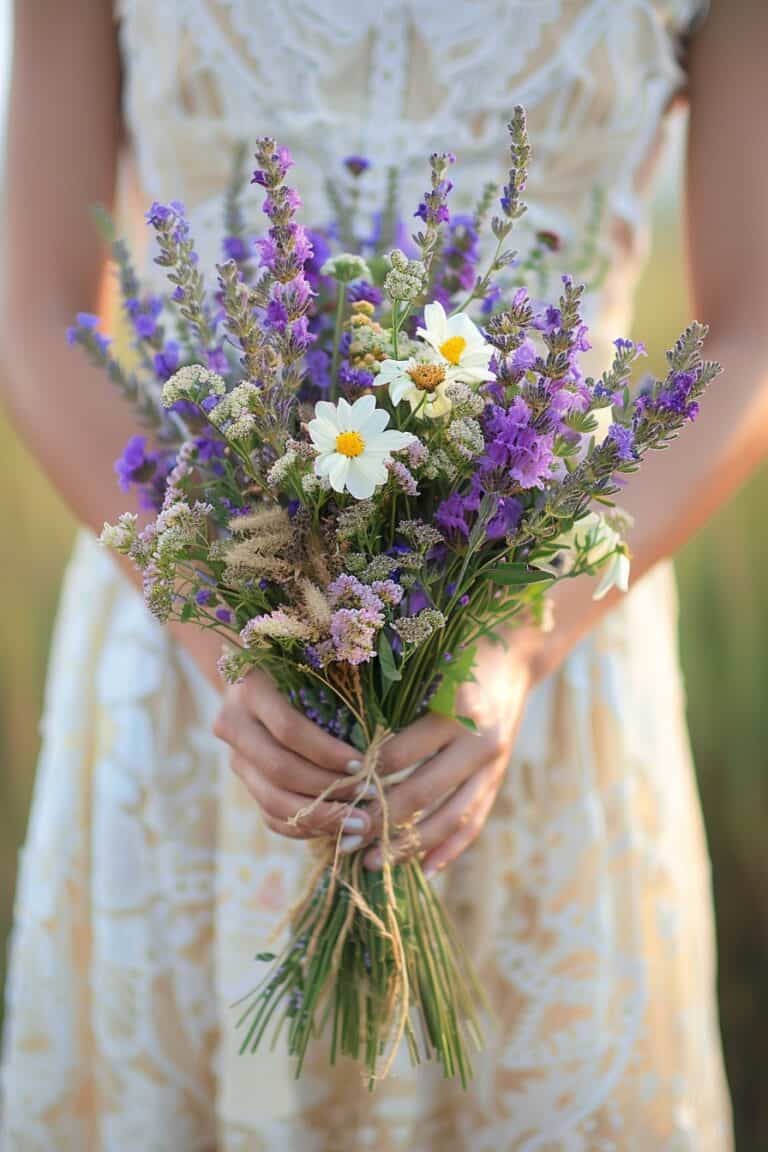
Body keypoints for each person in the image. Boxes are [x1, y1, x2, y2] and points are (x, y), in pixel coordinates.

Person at [2, 1, 764, 1147]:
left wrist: (517, 633)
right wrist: (224, 629)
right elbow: (40, 307)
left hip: (548, 676)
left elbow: (753, 325)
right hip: (195, 681)